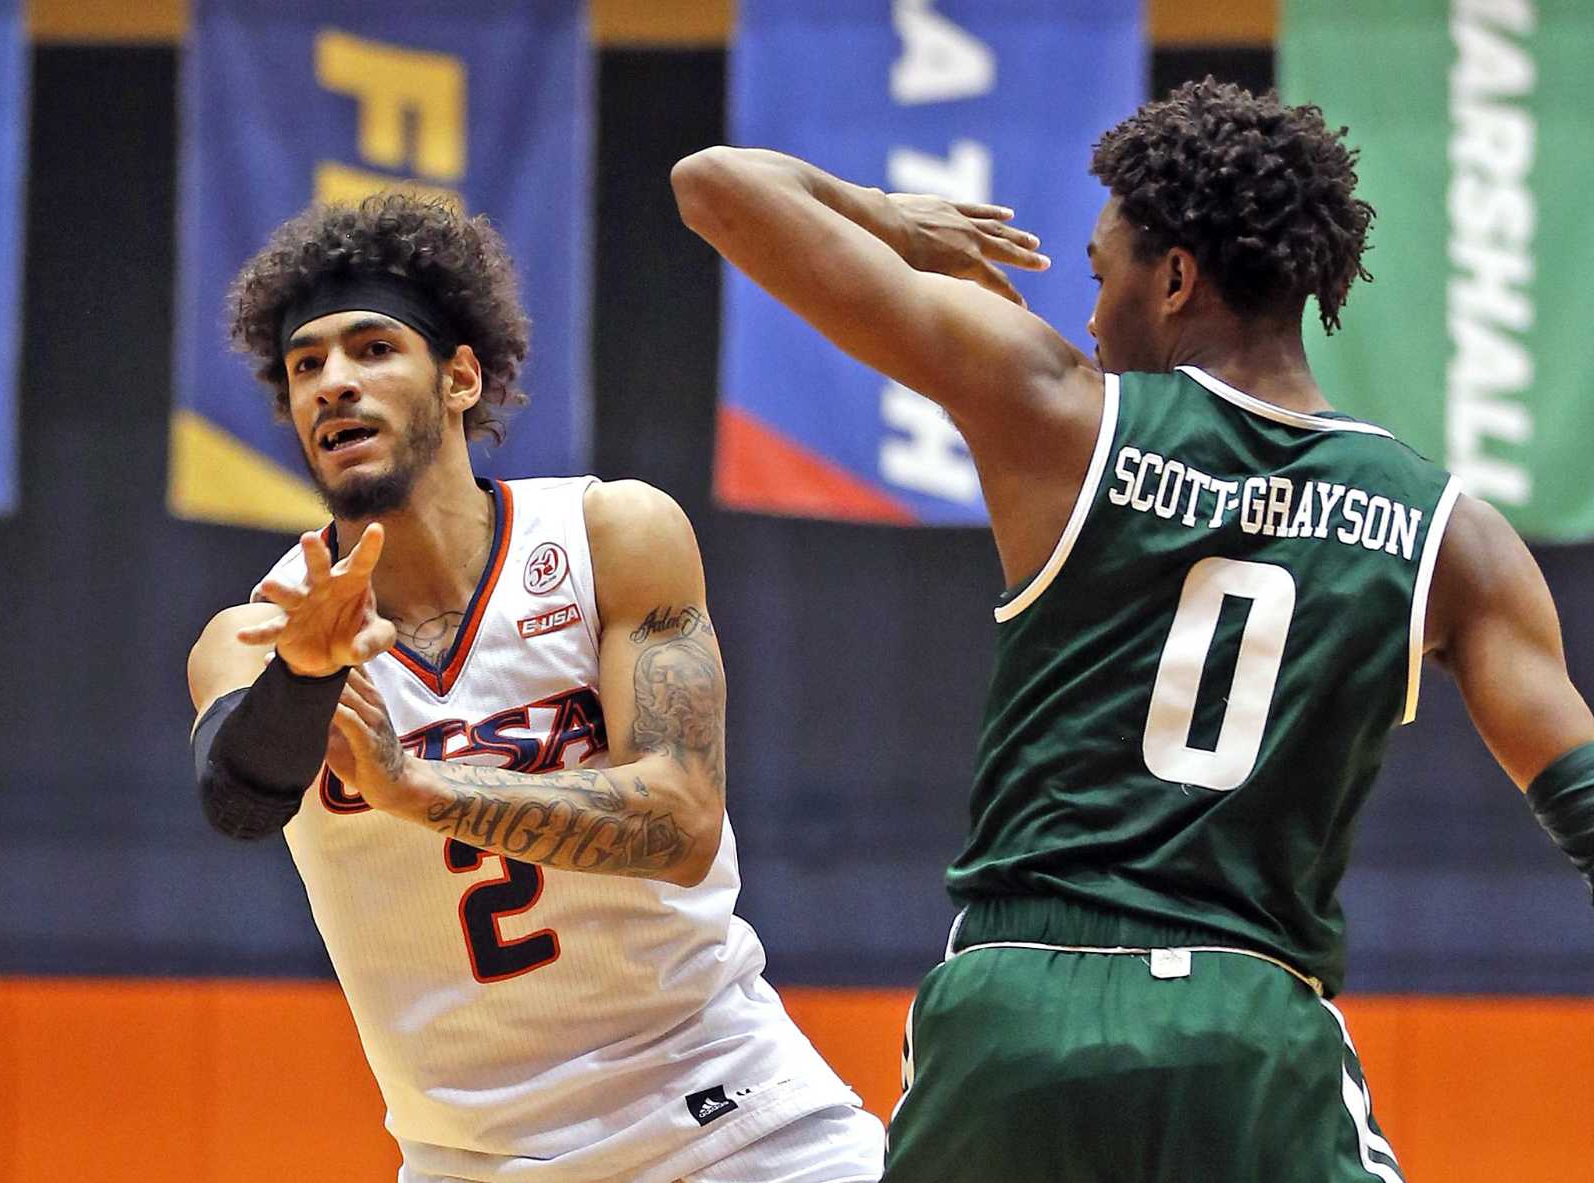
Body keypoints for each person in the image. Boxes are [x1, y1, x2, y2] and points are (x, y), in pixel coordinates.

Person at [669, 78, 1594, 1182]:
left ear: (1173, 277)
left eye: (1101, 275)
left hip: (1011, 1014)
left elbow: (716, 184)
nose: (1091, 318)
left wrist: (882, 212)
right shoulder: (1451, 534)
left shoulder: (1056, 411)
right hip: (1244, 1025)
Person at [185, 194, 885, 1183]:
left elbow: (679, 825)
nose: (332, 383)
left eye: (372, 348)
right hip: (474, 1162)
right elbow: (236, 797)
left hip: (728, 1120)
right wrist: (307, 670)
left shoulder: (609, 540)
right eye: (306, 367)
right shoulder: (254, 636)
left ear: (460, 375)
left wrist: (416, 789)